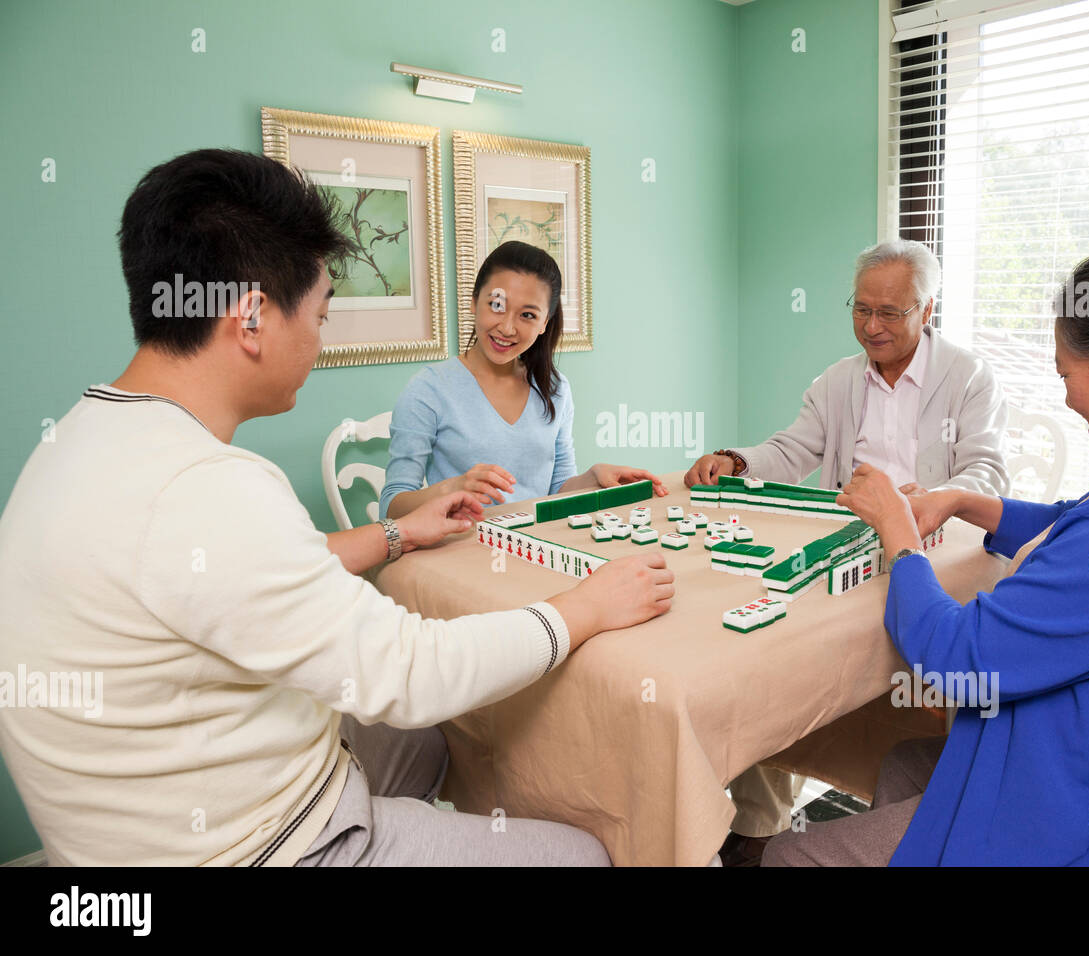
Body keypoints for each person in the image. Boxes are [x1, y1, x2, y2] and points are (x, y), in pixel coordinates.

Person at [0, 148, 674, 867]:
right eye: (320, 314)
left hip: (173, 807)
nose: (320, 341)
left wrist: (395, 532)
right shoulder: (209, 486)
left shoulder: (86, 439)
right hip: (266, 846)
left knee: (440, 744)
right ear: (252, 320)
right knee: (588, 856)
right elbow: (412, 670)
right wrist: (586, 609)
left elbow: (240, 573)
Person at [763, 246, 1089, 865]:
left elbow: (959, 660)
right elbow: (1078, 522)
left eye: (1067, 376)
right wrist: (962, 500)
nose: (1067, 400)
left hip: (1085, 823)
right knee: (904, 761)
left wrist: (899, 538)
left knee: (786, 856)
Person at [685, 238, 1010, 865]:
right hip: (847, 554)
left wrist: (934, 498)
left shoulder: (969, 377)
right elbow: (794, 450)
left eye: (891, 312)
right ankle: (756, 824)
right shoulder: (838, 380)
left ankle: (910, 817)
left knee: (911, 684)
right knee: (771, 655)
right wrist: (737, 459)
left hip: (932, 560)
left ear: (927, 309)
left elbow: (989, 476)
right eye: (861, 310)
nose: (873, 326)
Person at [381, 240, 665, 519]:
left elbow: (557, 491)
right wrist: (452, 488)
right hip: (459, 552)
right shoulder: (429, 389)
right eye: (496, 304)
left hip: (533, 550)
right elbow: (392, 506)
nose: (507, 327)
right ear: (473, 301)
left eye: (527, 315)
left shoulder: (555, 390)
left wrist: (593, 477)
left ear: (544, 323)